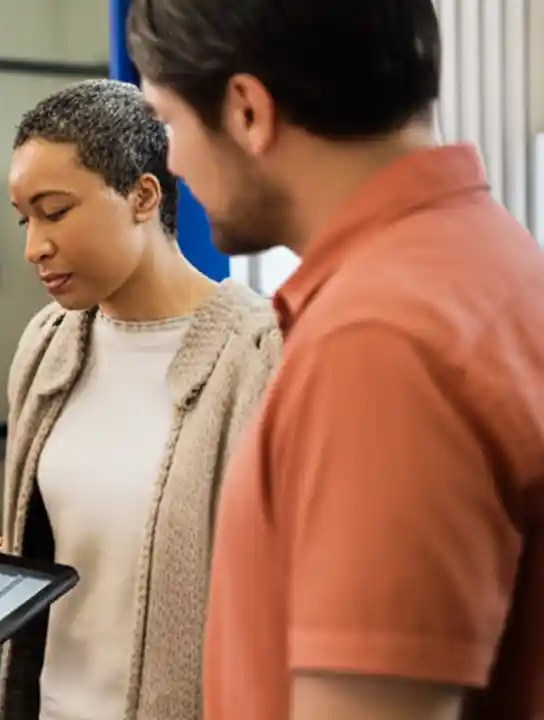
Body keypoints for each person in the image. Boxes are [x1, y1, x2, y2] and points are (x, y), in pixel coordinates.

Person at [127, 1, 544, 718]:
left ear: (248, 110)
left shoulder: (379, 345)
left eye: (168, 121)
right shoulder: (494, 264)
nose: (171, 160)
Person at [0, 79, 281, 720]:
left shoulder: (261, 353)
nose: (33, 246)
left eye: (55, 210)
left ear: (143, 196)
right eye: (25, 217)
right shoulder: (47, 347)